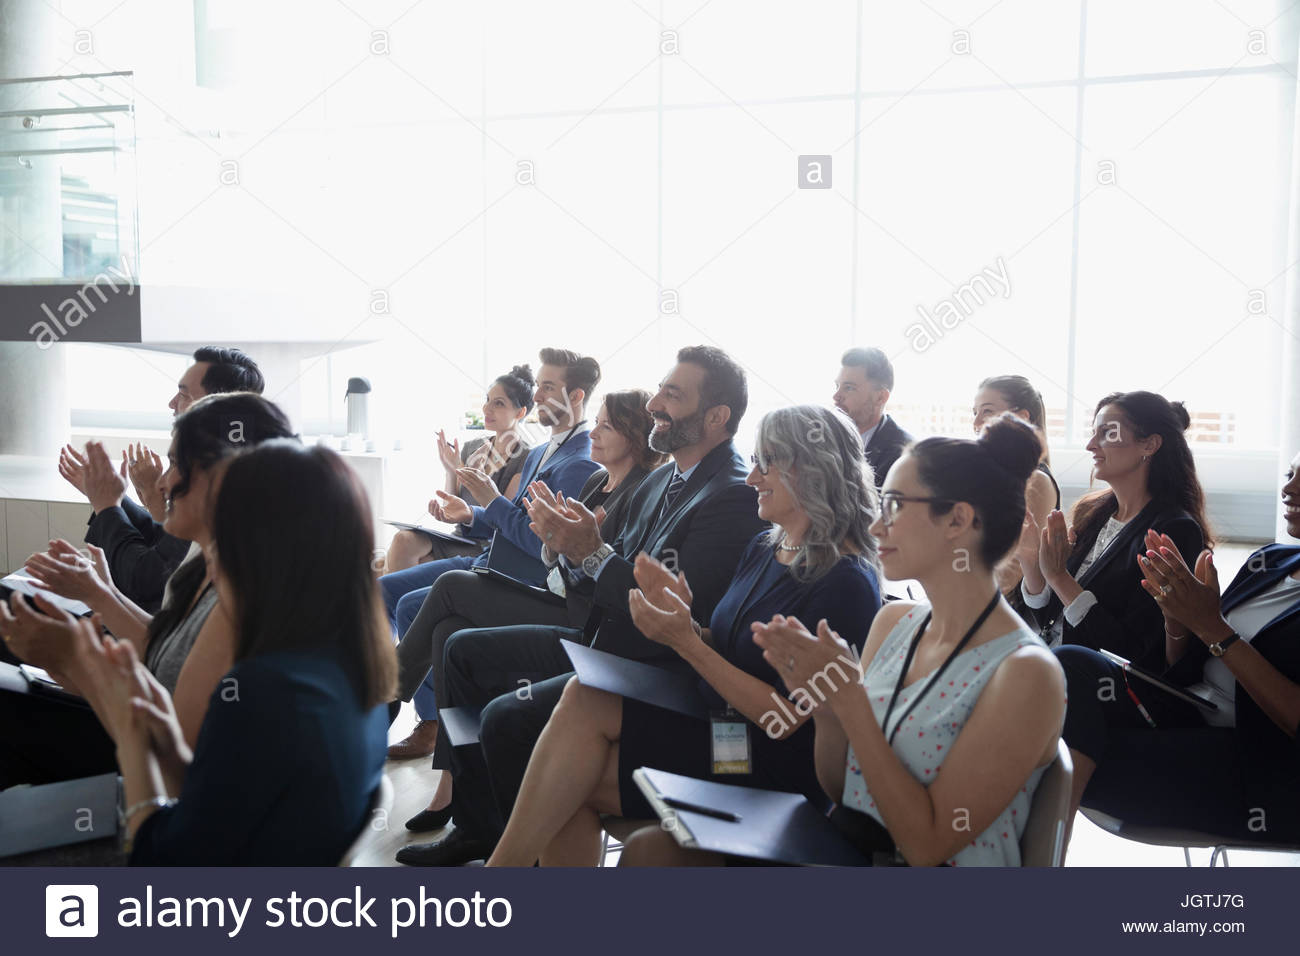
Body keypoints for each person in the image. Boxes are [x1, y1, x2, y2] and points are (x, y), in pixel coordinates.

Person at [622, 414, 1066, 867]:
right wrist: (829, 711)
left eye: (895, 506)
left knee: (655, 853)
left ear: (957, 519)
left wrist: (851, 704)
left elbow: (928, 847)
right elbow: (841, 790)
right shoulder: (895, 623)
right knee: (651, 847)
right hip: (851, 842)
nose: (876, 527)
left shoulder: (1026, 672)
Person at [395, 345, 769, 866]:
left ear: (717, 417)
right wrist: (568, 549)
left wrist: (584, 551)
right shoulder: (665, 477)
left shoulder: (729, 494)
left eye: (672, 394)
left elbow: (659, 607)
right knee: (460, 651)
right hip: (600, 637)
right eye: (661, 388)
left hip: (649, 664)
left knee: (507, 716)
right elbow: (593, 564)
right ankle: (476, 821)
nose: (656, 401)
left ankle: (511, 842)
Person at [485, 406, 883, 866]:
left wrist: (687, 643)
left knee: (570, 778)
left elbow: (790, 720)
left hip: (771, 760)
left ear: (813, 469)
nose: (752, 477)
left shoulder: (845, 582)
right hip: (725, 728)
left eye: (766, 464)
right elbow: (729, 644)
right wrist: (685, 624)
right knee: (576, 732)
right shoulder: (766, 545)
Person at [38, 441, 395, 864]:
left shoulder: (260, 683)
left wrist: (91, 680)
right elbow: (202, 782)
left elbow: (161, 855)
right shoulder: (343, 662)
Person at [0, 394, 295, 789]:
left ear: (218, 477)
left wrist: (80, 670)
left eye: (175, 464)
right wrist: (100, 592)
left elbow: (179, 760)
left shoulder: (242, 591)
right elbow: (168, 650)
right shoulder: (219, 560)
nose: (161, 483)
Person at [388, 388, 663, 764]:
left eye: (607, 427)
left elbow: (602, 573)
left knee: (451, 586)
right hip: (557, 591)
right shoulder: (595, 484)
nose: (594, 433)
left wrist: (565, 544)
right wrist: (557, 542)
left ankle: (387, 695)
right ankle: (456, 777)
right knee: (446, 629)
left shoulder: (641, 492)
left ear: (634, 437)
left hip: (581, 614)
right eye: (596, 423)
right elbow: (557, 556)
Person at [1054, 448, 1300, 845]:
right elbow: (1187, 667)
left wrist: (1212, 628)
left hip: (1257, 761)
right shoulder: (1269, 562)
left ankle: (1030, 869)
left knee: (1063, 754)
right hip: (1186, 712)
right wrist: (1177, 622)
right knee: (1069, 665)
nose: (1288, 489)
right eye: (1289, 473)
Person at [378, 348, 602, 637]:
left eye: (548, 388)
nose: (536, 397)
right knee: (383, 590)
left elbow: (543, 546)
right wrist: (472, 514)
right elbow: (513, 519)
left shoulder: (580, 463)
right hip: (487, 560)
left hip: (515, 576)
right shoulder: (539, 453)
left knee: (409, 606)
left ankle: (410, 681)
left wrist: (492, 499)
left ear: (575, 397)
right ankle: (387, 678)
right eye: (538, 387)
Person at [58, 346, 266, 613]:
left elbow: (146, 579)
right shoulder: (235, 461)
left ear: (213, 405)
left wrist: (108, 506)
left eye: (182, 394)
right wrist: (112, 499)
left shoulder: (218, 480)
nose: (171, 403)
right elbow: (168, 547)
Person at [1016, 391, 1211, 671]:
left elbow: (1129, 651)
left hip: (1097, 688)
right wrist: (1030, 560)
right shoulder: (1092, 512)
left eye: (1107, 433)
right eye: (1093, 433)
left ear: (1150, 445)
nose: (1090, 445)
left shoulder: (1175, 531)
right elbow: (1051, 620)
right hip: (1052, 667)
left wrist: (1059, 577)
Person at [383, 365, 536, 574]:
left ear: (520, 412)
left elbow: (501, 522)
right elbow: (450, 504)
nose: (486, 409)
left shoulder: (526, 458)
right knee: (402, 540)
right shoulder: (472, 447)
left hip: (488, 547)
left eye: (498, 403)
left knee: (408, 562)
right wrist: (450, 470)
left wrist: (474, 478)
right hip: (458, 537)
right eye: (487, 400)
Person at [972, 375, 1060, 613]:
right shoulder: (988, 475)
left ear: (1022, 417)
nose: (977, 422)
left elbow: (1012, 570)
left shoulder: (1037, 482)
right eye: (975, 413)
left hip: (1007, 611)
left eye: (987, 411)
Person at [833, 346, 912, 489]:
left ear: (880, 397)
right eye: (837, 386)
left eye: (849, 388)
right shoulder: (824, 440)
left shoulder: (904, 455)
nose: (836, 396)